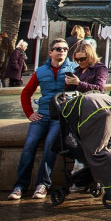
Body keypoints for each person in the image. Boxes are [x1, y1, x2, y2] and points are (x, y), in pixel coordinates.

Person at [8, 39, 76, 200]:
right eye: (58, 49)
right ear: (50, 52)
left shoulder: (74, 69)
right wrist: (29, 113)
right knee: (29, 145)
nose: (62, 51)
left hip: (60, 116)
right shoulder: (40, 71)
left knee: (50, 145)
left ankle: (43, 184)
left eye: (65, 49)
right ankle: (20, 186)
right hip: (43, 114)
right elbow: (26, 93)